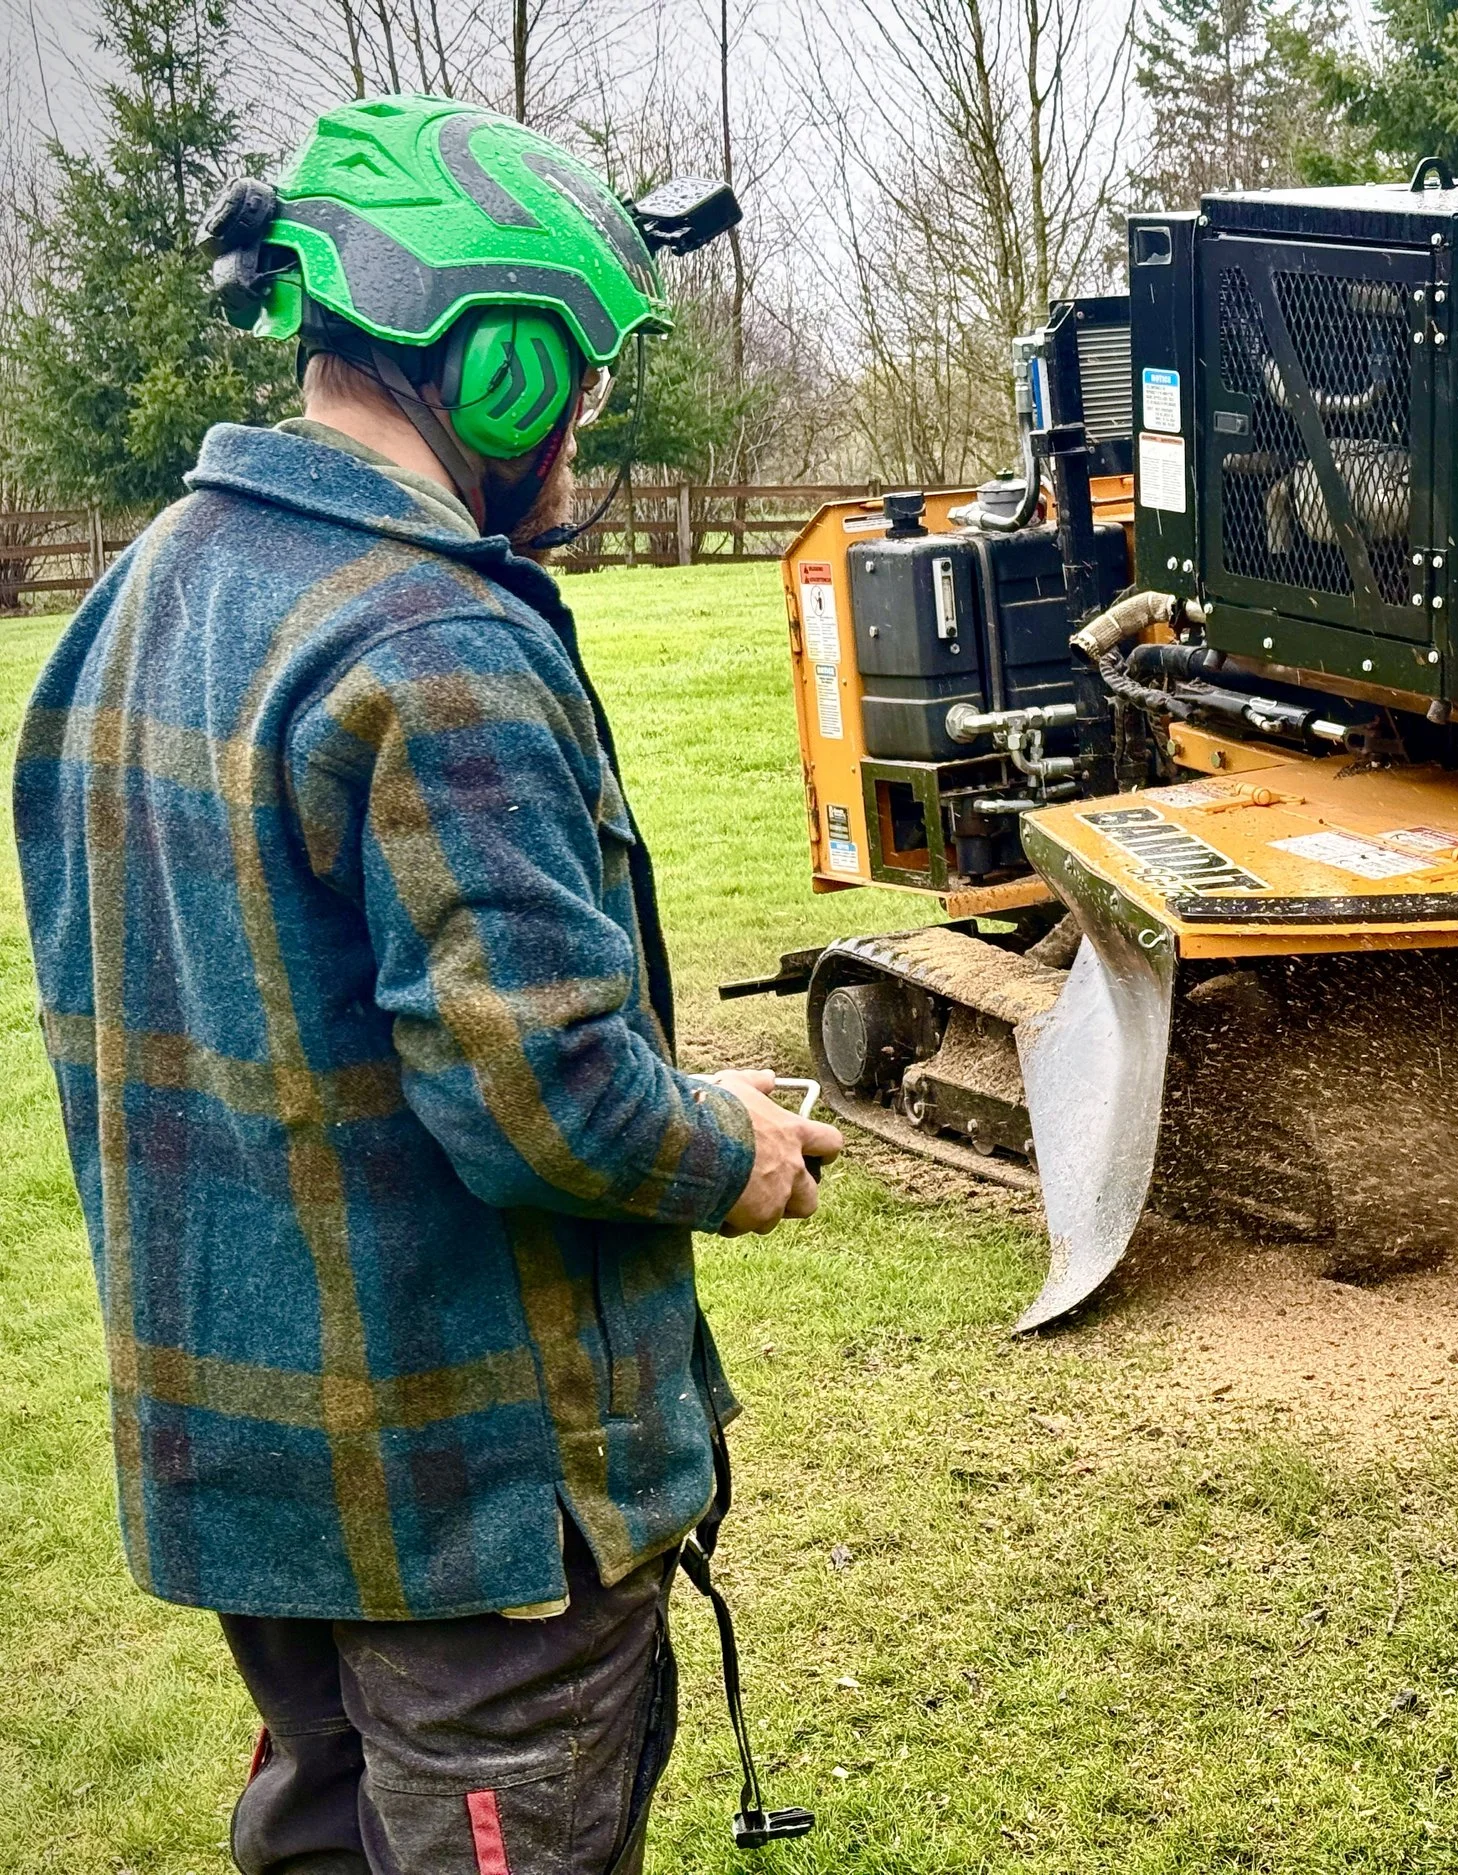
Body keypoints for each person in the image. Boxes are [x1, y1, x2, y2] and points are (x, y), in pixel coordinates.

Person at [11, 95, 840, 1874]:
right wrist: (740, 1148)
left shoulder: (140, 597)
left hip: (261, 1496)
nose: (586, 424)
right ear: (502, 367)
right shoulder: (436, 643)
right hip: (468, 1517)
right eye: (583, 377)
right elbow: (553, 1096)